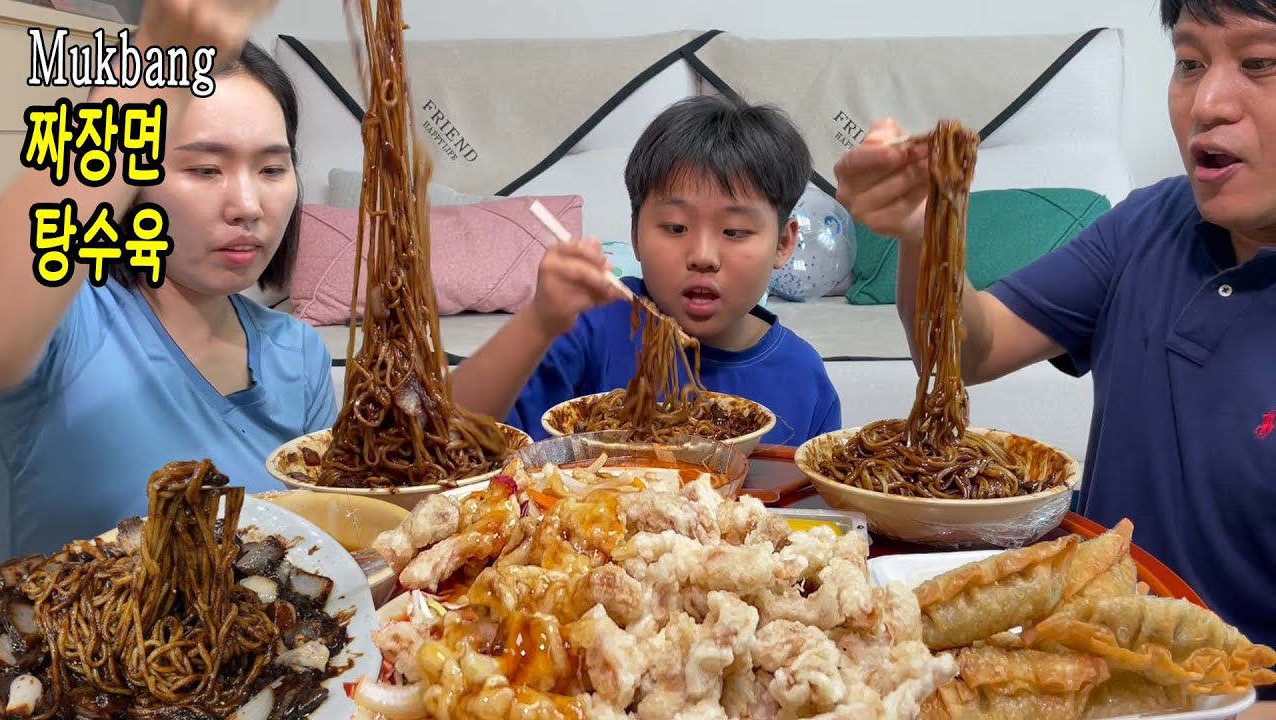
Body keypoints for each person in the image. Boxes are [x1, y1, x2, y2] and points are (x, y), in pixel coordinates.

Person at [833, 0, 1276, 695]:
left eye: (1261, 64)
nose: (1208, 103)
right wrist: (923, 233)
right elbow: (966, 353)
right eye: (1189, 63)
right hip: (1081, 673)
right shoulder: (1148, 227)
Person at [0, 0, 336, 560]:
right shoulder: (68, 324)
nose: (248, 205)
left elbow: (320, 548)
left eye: (272, 168)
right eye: (204, 169)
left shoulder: (296, 353)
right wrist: (154, 65)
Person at [452, 95, 840, 446]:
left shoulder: (802, 378)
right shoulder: (593, 326)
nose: (703, 256)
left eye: (734, 231)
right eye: (675, 228)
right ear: (635, 233)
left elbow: (822, 513)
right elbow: (451, 425)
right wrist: (538, 322)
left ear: (783, 243)